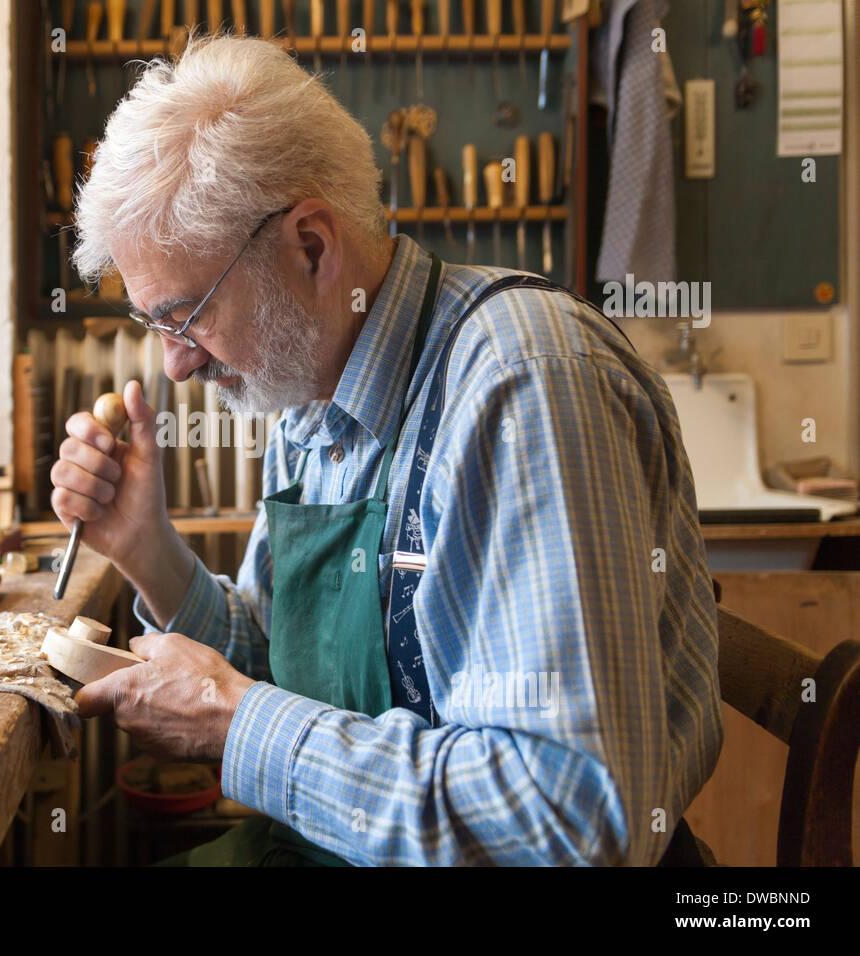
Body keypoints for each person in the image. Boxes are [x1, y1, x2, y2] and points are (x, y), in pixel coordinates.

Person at [51, 34, 722, 866]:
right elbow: (292, 674)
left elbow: (574, 819)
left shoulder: (521, 392)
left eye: (186, 316)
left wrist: (234, 725)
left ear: (312, 247)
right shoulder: (310, 393)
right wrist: (147, 551)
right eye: (155, 324)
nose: (175, 363)